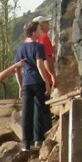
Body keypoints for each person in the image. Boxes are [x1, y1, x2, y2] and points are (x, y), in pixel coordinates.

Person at [16, 20, 55, 153]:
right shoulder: (38, 47)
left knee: (27, 112)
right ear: (33, 33)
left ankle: (25, 143)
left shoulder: (20, 48)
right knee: (41, 109)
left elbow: (18, 69)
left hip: (26, 82)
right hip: (37, 81)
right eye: (39, 30)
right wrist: (46, 82)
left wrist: (20, 86)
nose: (41, 32)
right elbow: (40, 65)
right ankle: (41, 139)